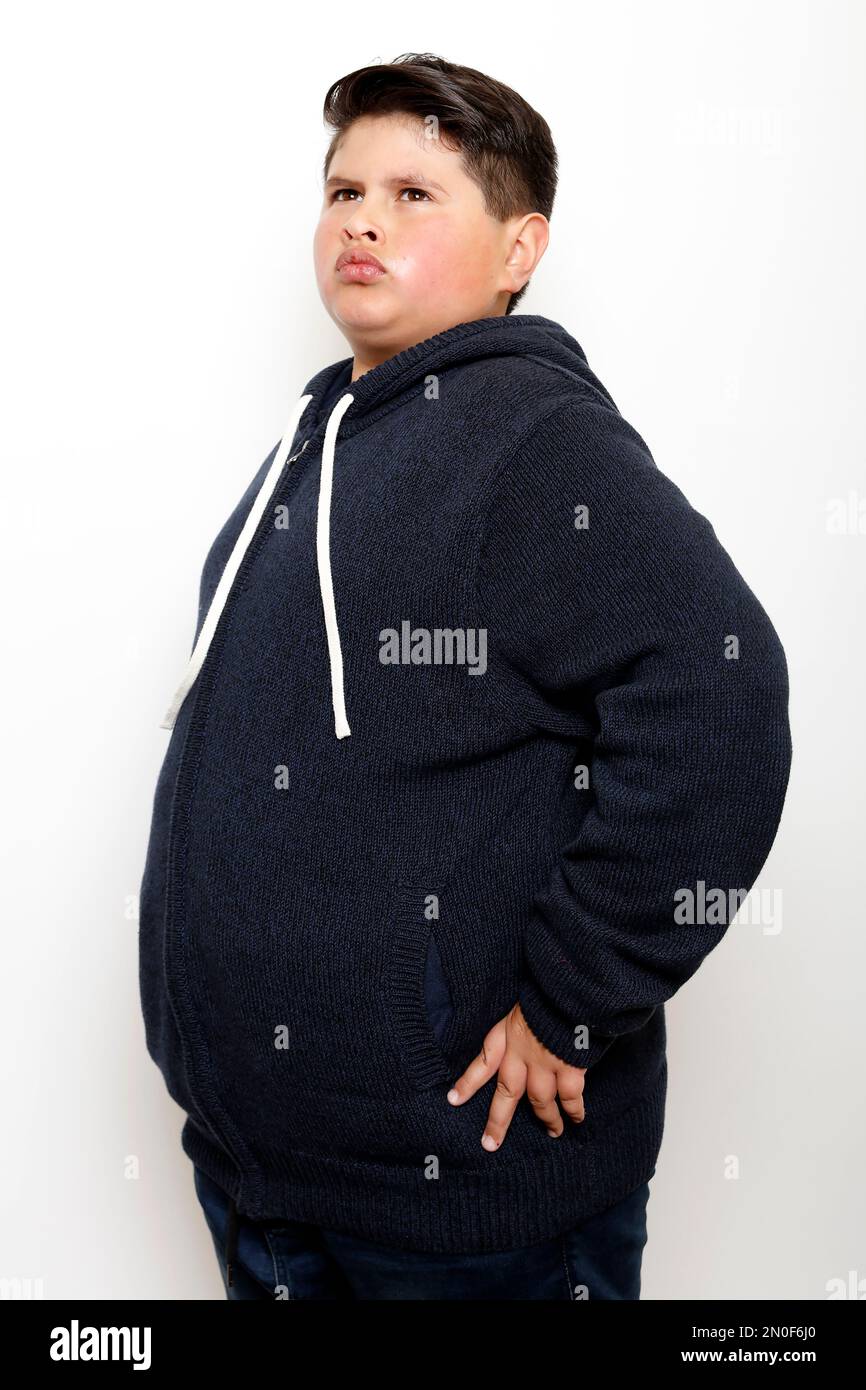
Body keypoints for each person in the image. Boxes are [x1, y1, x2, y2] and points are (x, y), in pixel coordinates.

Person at [138, 53, 793, 1300]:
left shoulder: (532, 442)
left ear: (518, 247)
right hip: (266, 1179)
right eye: (340, 191)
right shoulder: (318, 443)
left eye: (412, 192)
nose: (360, 219)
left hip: (462, 1204)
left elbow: (721, 700)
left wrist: (571, 1001)